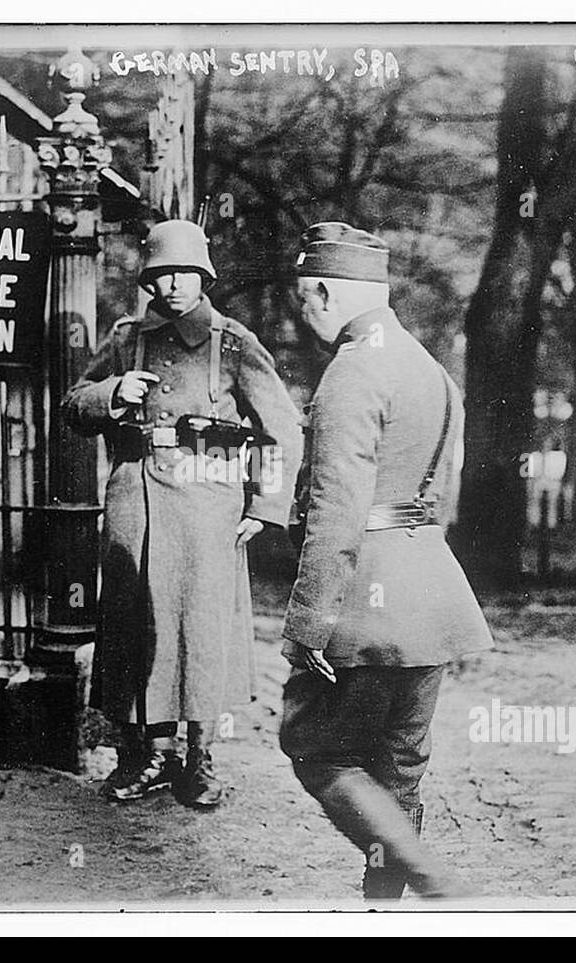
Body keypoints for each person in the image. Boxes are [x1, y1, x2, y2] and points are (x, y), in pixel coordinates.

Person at [280, 221, 494, 898]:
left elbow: (335, 508)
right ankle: (387, 913)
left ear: (319, 290)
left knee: (320, 752)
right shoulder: (428, 368)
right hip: (431, 593)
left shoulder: (353, 372)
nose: (302, 311)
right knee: (399, 769)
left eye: (302, 298)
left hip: (364, 601)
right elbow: (445, 499)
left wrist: (308, 623)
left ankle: (439, 887)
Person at [63, 220, 302, 809]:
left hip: (207, 508)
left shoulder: (233, 343)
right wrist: (111, 392)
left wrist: (267, 507)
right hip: (135, 504)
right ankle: (140, 756)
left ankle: (198, 761)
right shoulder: (124, 339)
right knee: (131, 631)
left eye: (185, 273)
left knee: (200, 633)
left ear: (204, 276)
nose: (173, 285)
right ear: (148, 278)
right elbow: (73, 405)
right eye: (161, 273)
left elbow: (281, 431)